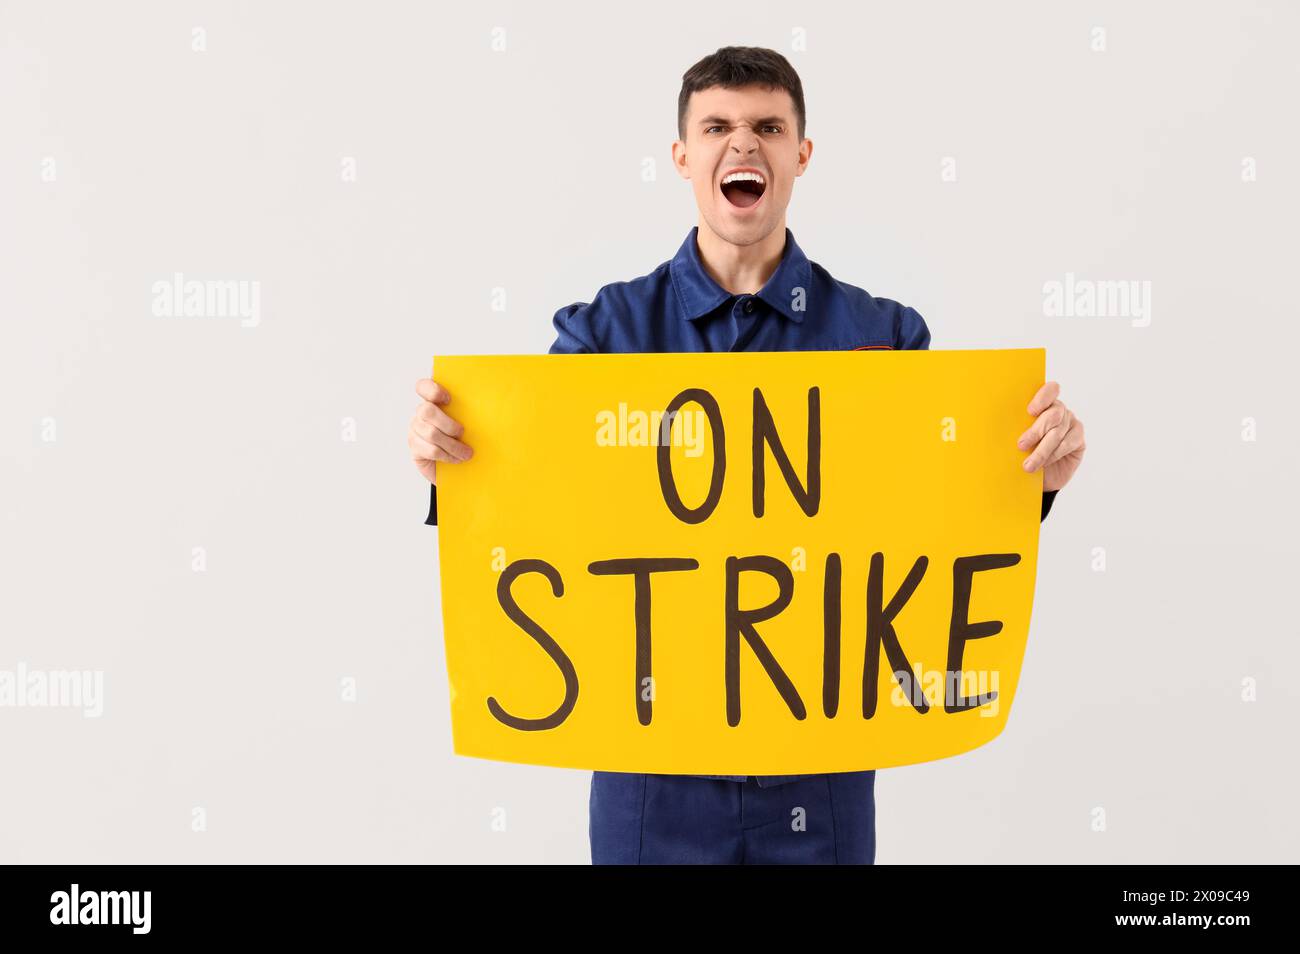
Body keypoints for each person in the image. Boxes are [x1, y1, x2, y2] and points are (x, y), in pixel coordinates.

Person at [408, 46, 1087, 864]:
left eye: (768, 126)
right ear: (682, 156)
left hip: (819, 778)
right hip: (650, 778)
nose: (743, 145)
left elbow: (924, 539)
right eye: (718, 126)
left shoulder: (887, 338)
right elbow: (548, 521)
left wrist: (1032, 485)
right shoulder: (599, 340)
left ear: (801, 154)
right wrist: (454, 467)